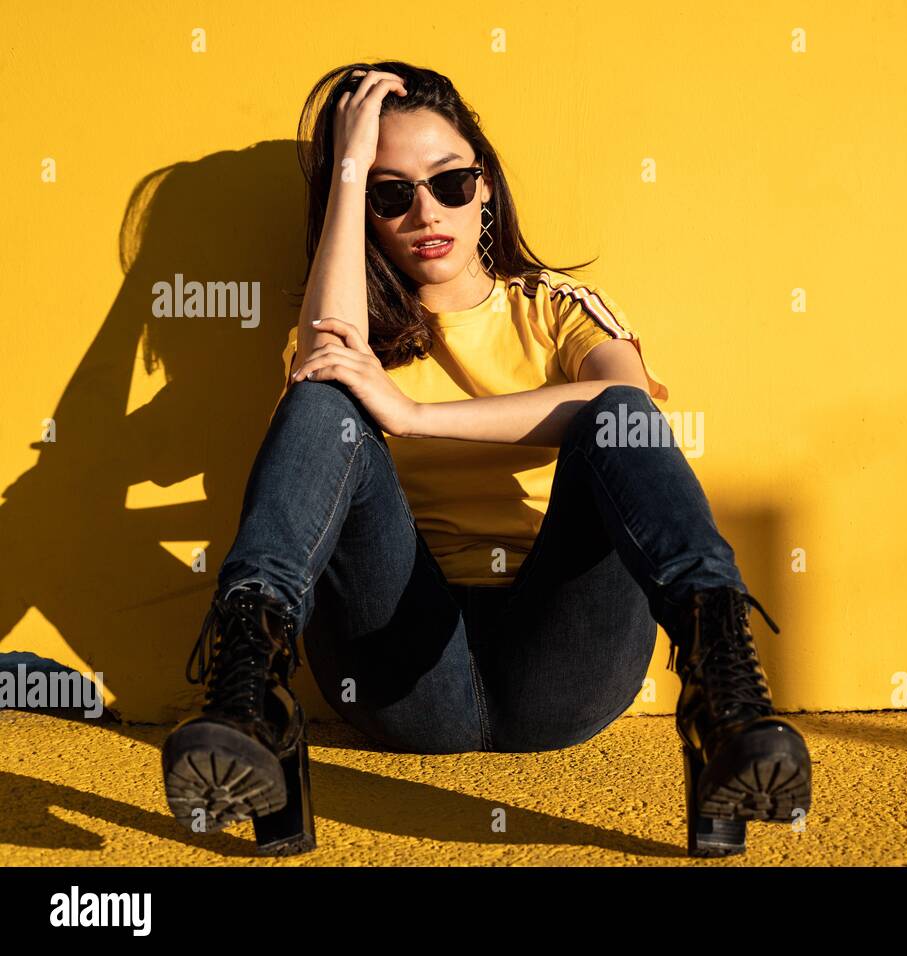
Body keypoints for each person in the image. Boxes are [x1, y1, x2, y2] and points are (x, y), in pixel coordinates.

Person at [160, 60, 812, 858]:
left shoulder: (554, 306)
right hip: (400, 672)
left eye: (449, 183)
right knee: (326, 390)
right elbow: (324, 355)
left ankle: (725, 697)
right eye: (389, 194)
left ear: (486, 188)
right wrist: (347, 169)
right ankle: (247, 700)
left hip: (562, 663)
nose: (424, 213)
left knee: (619, 417)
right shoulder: (350, 336)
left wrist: (414, 414)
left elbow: (622, 400)